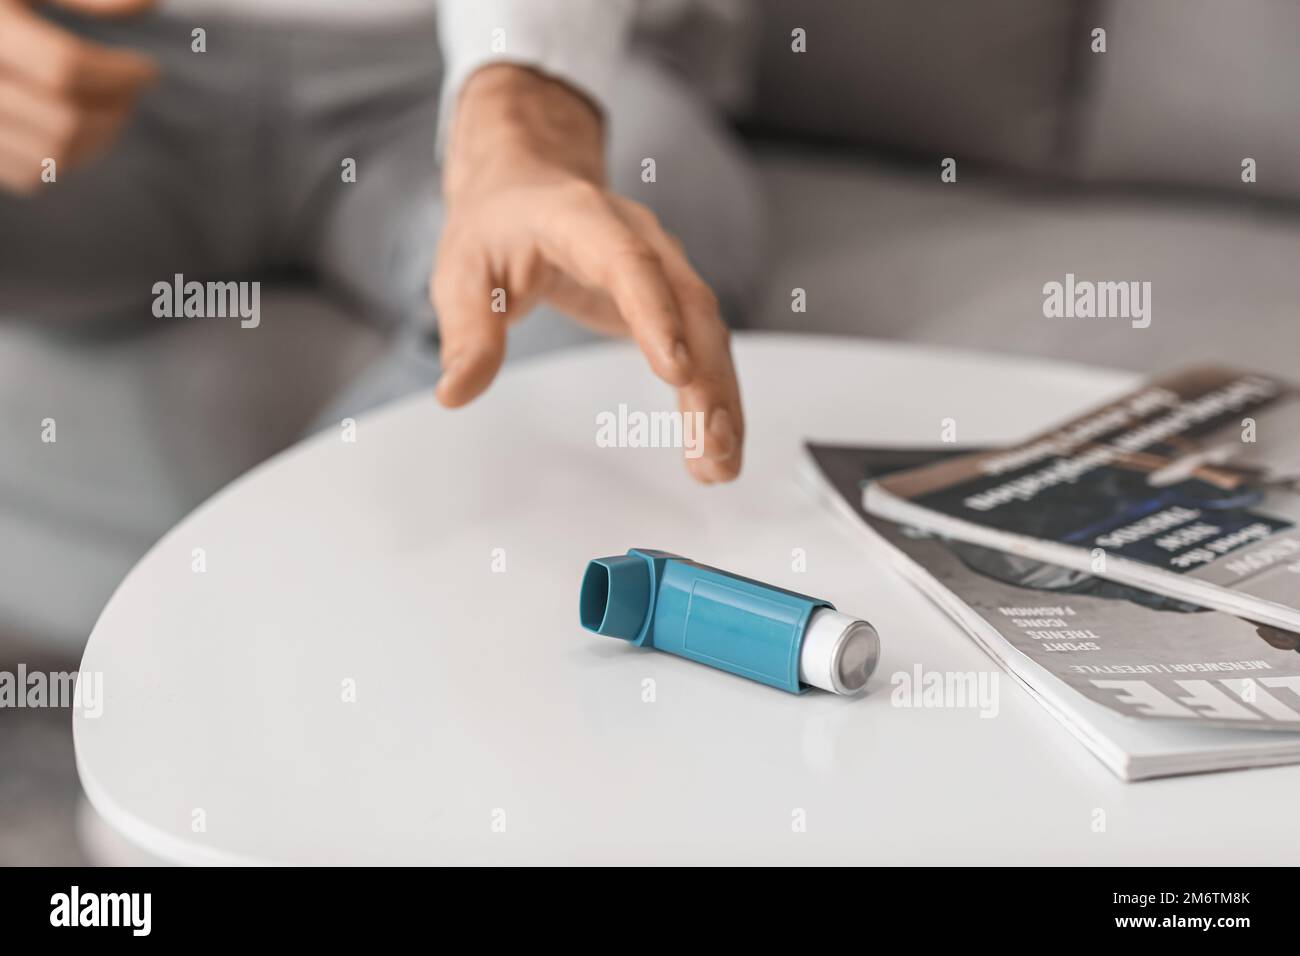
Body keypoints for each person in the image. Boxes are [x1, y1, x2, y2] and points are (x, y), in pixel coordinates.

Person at [0, 0, 759, 483]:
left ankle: (270, 642)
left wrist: (526, 121)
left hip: (456, 57)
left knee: (601, 242)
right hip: (97, 58)